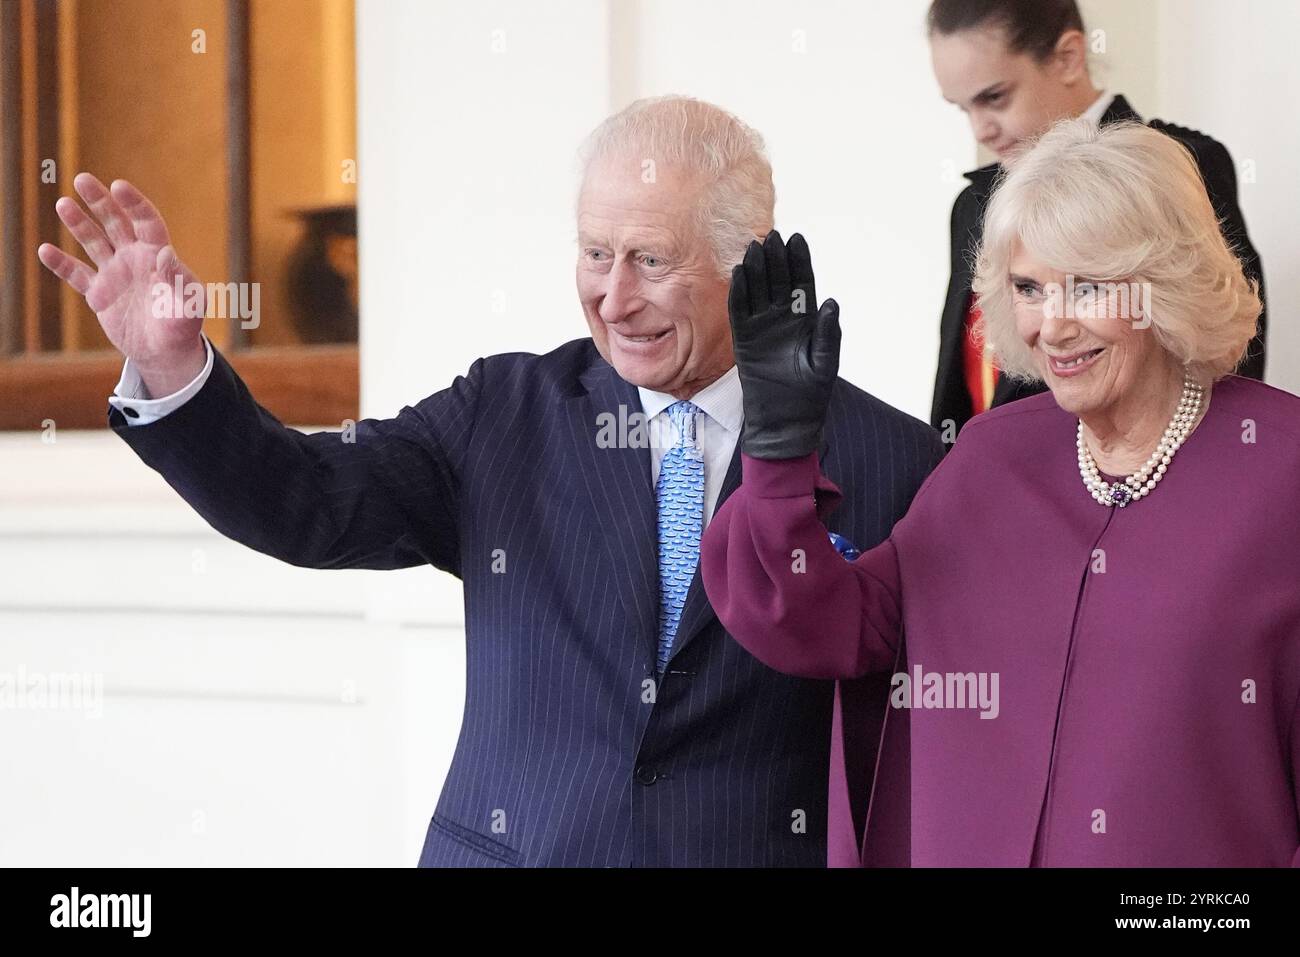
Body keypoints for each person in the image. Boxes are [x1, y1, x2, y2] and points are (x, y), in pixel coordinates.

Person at [37, 96, 942, 867]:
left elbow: (925, 746)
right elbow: (307, 501)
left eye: (650, 262)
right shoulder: (505, 411)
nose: (612, 300)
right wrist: (174, 370)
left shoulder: (891, 460)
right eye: (595, 254)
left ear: (745, 263)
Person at [702, 118, 1300, 867]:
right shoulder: (990, 457)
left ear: (1164, 282)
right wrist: (780, 453)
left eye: (1087, 286)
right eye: (1029, 288)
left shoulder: (1283, 472)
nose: (1052, 325)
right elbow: (829, 625)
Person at [926, 0, 1266, 441]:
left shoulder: (1177, 167)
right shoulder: (974, 202)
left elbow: (1226, 354)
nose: (980, 130)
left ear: (1068, 57)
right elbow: (960, 383)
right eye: (962, 108)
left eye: (994, 97)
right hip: (989, 480)